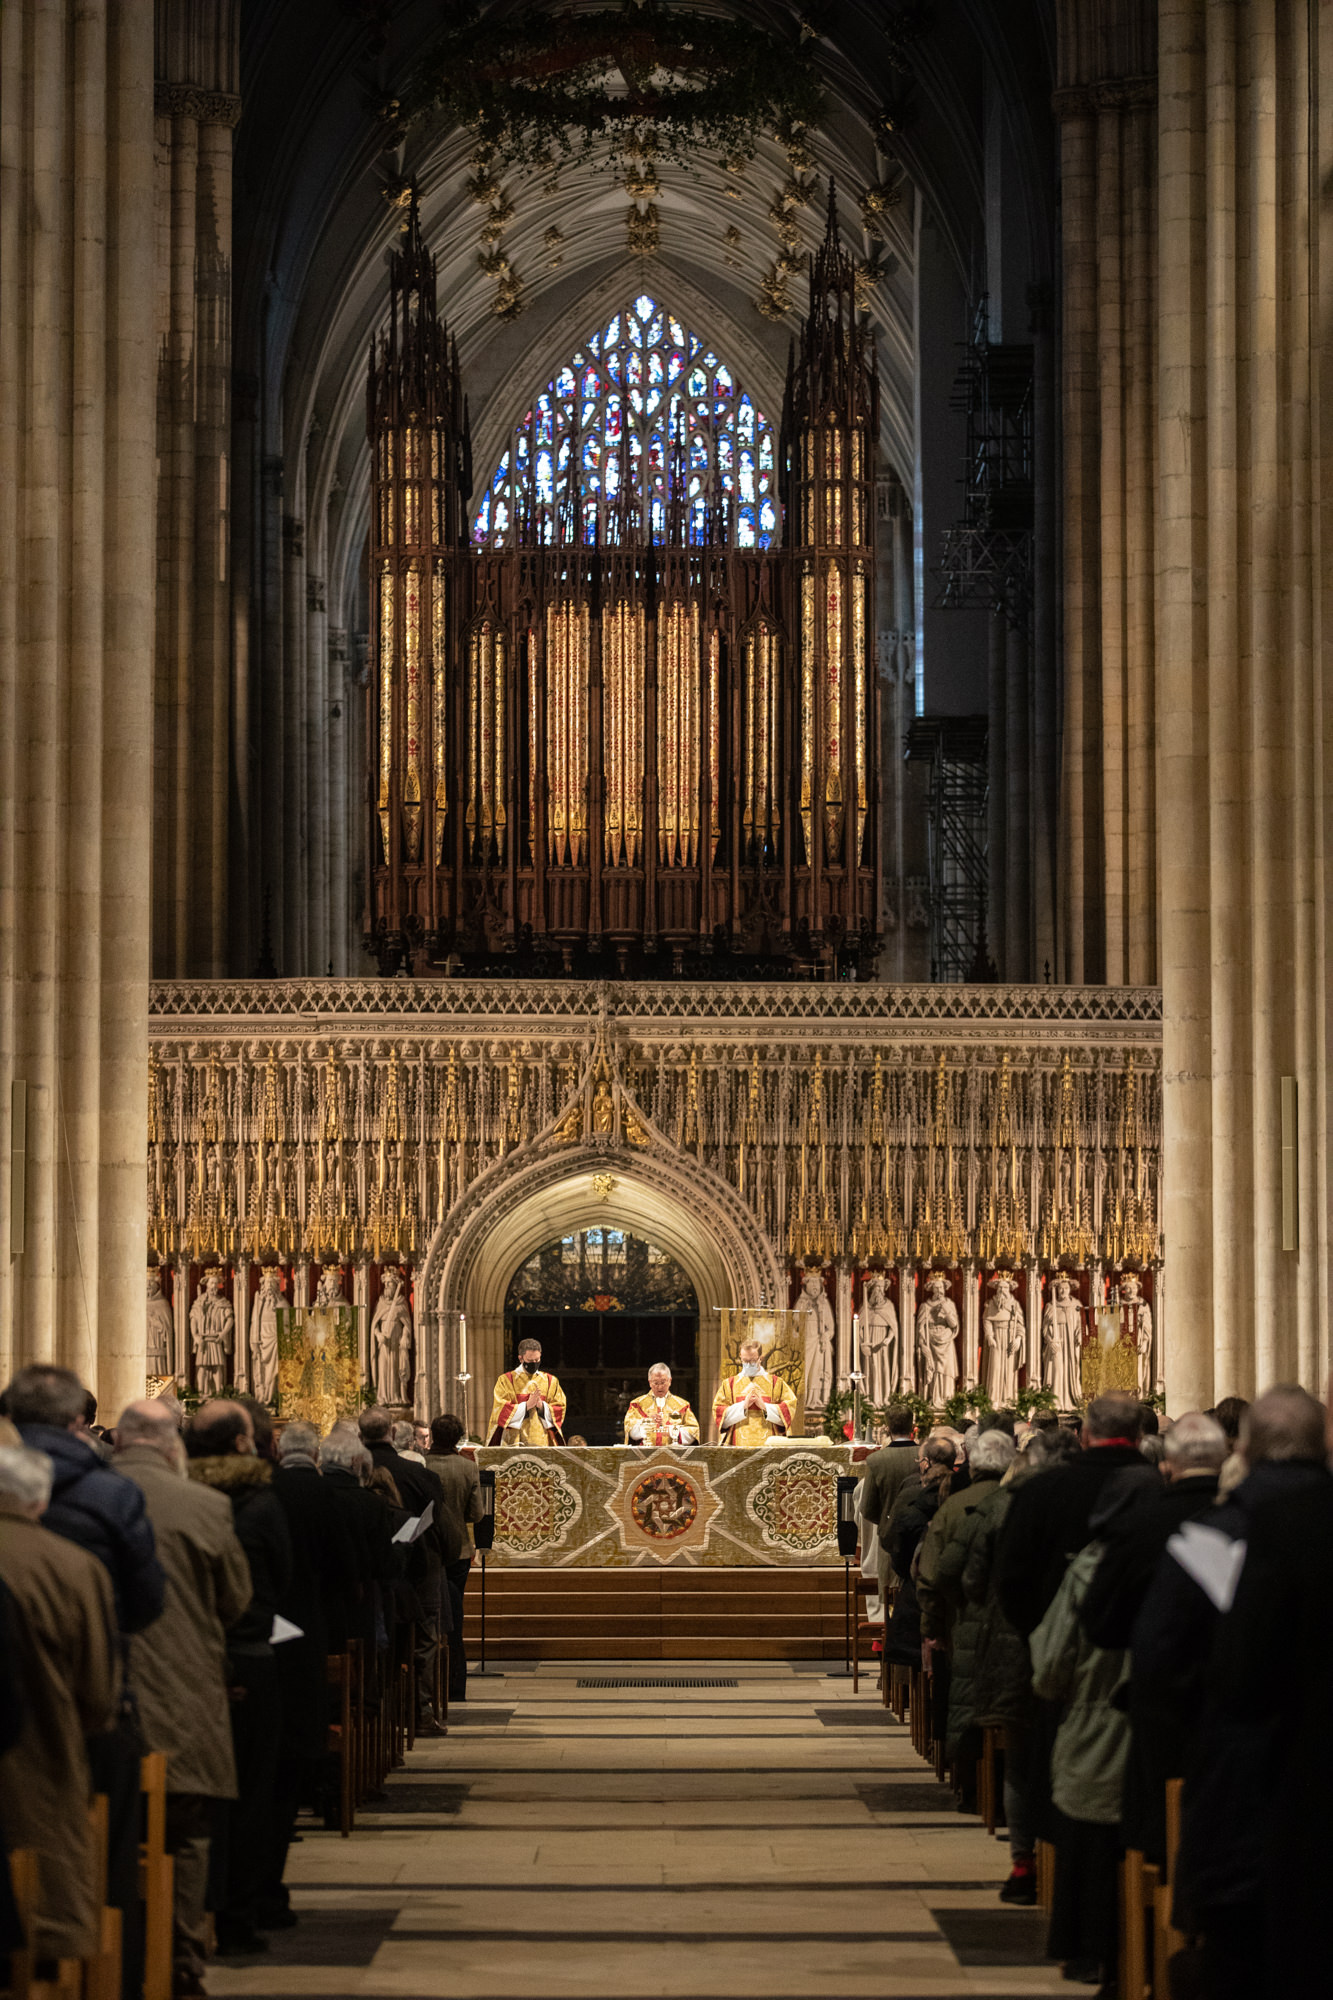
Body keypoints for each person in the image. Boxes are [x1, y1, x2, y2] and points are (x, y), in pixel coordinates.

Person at [1132, 1385, 1330, 1999]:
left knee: (1241, 1961)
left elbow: (1158, 1665)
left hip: (1244, 1797)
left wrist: (1196, 1749)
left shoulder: (1212, 1538)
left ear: (1244, 1450)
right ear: (1324, 1448)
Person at [113, 1400, 252, 1998]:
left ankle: (106, 1950)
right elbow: (236, 1601)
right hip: (182, 1686)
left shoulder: (77, 1495)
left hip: (98, 1692)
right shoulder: (205, 1505)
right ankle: (183, 1954)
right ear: (173, 1444)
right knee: (187, 1827)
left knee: (104, 1820)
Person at [0, 1444, 119, 1963]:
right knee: (44, 1911)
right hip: (41, 1756)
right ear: (40, 1501)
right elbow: (98, 1694)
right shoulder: (73, 1566)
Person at [185, 1397, 292, 1954]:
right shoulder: (261, 1502)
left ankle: (188, 1916)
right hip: (249, 1653)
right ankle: (238, 1915)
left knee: (193, 1791)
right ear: (245, 1442)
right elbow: (274, 1580)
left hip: (188, 1660)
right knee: (251, 1788)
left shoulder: (178, 1497)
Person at [260, 1421, 358, 1918]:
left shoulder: (264, 1491)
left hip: (263, 1623)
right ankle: (311, 1795)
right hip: (312, 1622)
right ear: (315, 1454)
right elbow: (344, 1565)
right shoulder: (323, 1495)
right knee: (302, 1723)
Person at [917, 1429, 1016, 1786]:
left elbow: (933, 1573)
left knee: (965, 1698)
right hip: (1014, 1623)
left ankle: (969, 1783)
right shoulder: (1020, 1502)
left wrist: (932, 1626)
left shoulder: (955, 1506)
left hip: (962, 1620)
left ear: (972, 1463)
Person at [358, 1406, 448, 1733]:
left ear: (360, 1435)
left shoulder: (354, 1473)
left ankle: (376, 1715)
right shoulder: (420, 1475)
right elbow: (438, 1523)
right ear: (393, 1433)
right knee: (422, 1642)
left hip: (364, 1579)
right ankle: (418, 1714)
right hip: (418, 1575)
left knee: (373, 1645)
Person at [425, 1413, 483, 1706]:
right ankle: (456, 1685)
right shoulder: (467, 1467)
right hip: (459, 1550)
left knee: (428, 1616)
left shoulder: (421, 1465)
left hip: (428, 1550)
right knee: (454, 1618)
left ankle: (429, 1681)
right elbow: (476, 1514)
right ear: (458, 1438)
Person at [857, 1404, 920, 1599]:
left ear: (887, 1428)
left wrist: (887, 1522)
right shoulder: (924, 1455)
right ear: (912, 1427)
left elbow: (867, 1508)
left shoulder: (877, 1460)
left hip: (890, 1542)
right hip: (922, 1539)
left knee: (892, 1599)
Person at [712, 1337, 795, 1445]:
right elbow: (719, 1414)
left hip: (769, 1446)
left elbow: (789, 1410)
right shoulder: (729, 1385)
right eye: (745, 1361)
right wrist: (743, 1405)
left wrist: (765, 1407)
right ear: (740, 1357)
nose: (748, 1365)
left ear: (760, 1358)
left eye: (752, 1361)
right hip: (738, 1446)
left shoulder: (776, 1383)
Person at [487, 1337, 567, 1446]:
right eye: (530, 1361)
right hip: (514, 1441)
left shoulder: (550, 1381)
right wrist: (527, 1405)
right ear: (521, 1358)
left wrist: (542, 1406)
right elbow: (500, 1410)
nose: (534, 1363)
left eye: (537, 1360)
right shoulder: (506, 1380)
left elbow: (560, 1408)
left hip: (542, 1440)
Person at [623, 1364, 700, 1445]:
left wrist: (672, 1431)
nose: (660, 1387)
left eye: (663, 1382)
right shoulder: (637, 1404)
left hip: (674, 1452)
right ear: (650, 1382)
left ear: (670, 1381)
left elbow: (693, 1432)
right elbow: (630, 1432)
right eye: (656, 1383)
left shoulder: (682, 1405)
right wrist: (648, 1422)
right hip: (645, 1451)